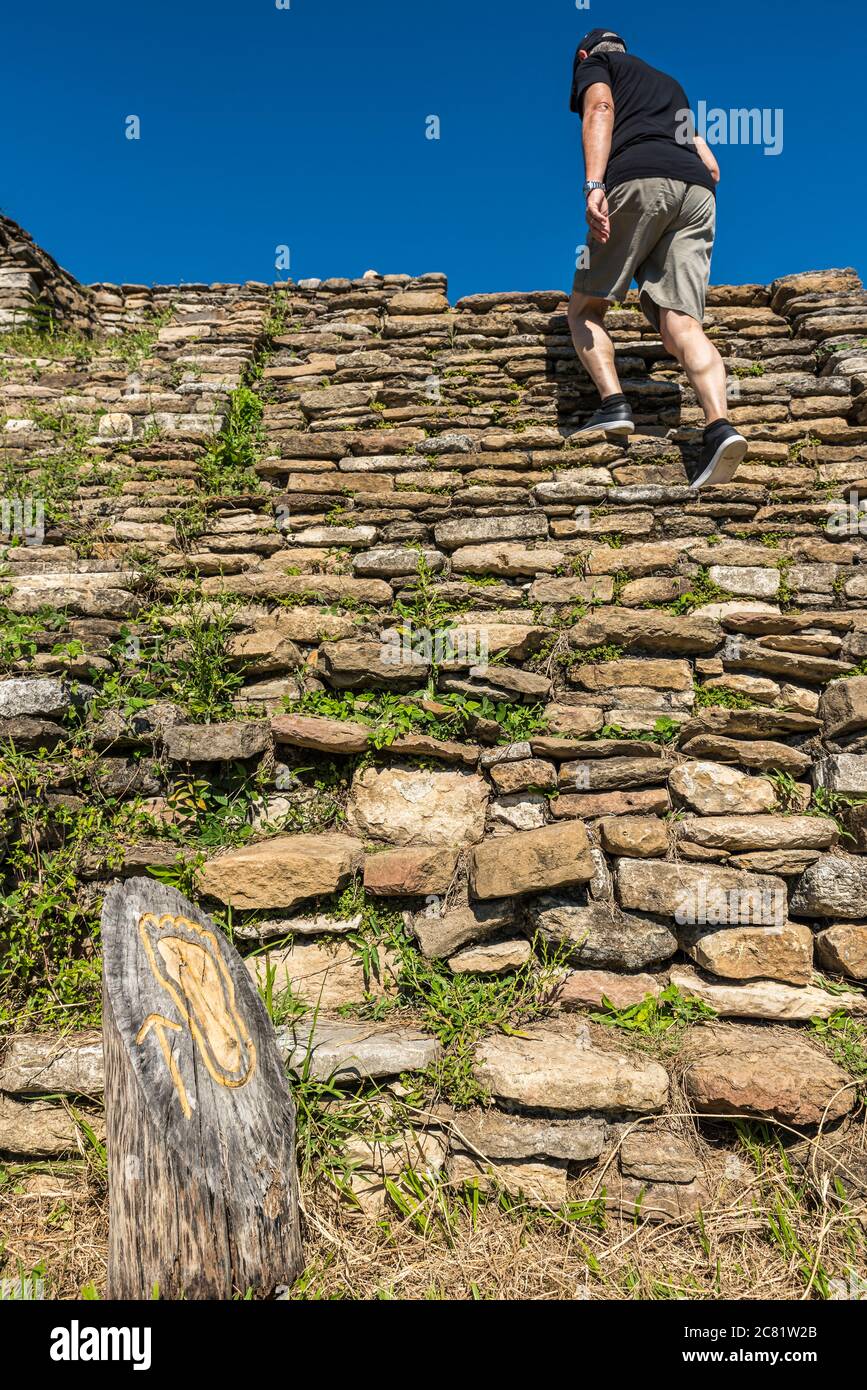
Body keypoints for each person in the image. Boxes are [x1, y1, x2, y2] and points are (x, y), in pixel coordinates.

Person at [567, 28, 746, 489]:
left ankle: (613, 405)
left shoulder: (597, 66)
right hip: (697, 192)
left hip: (639, 179)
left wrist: (594, 184)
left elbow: (600, 107)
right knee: (682, 323)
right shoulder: (670, 83)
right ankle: (719, 426)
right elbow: (711, 164)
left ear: (585, 55)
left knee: (585, 307)